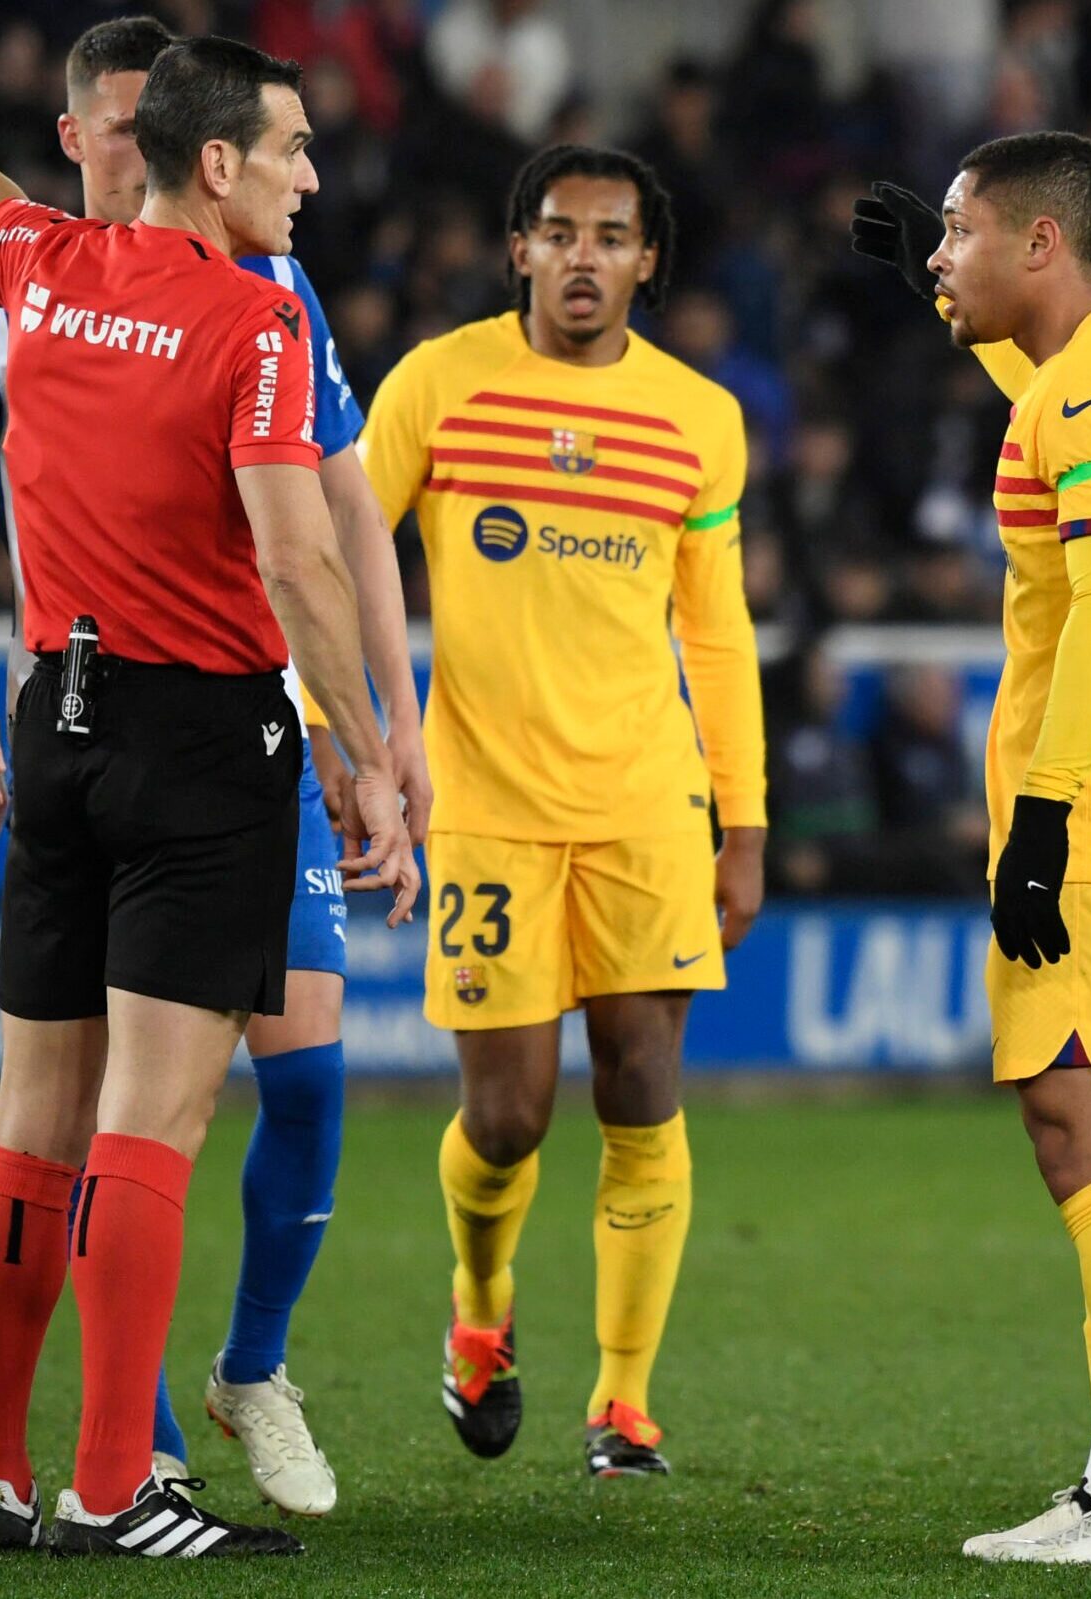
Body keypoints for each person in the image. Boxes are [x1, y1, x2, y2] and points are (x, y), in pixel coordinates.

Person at [0, 3, 416, 1559]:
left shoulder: (34, 268)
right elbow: (301, 561)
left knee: (30, 1122)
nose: (309, 182)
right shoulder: (256, 324)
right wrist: (367, 758)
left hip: (58, 729)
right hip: (199, 745)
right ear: (216, 160)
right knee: (149, 1128)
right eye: (292, 153)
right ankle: (114, 1485)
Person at [355, 143, 765, 1479]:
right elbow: (339, 560)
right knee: (514, 1115)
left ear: (649, 260)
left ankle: (625, 1401)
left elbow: (717, 632)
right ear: (519, 247)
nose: (583, 256)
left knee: (644, 1088)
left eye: (611, 236)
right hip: (484, 807)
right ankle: (481, 1315)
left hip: (649, 804)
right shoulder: (437, 384)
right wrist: (341, 737)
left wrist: (745, 823)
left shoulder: (698, 415)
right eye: (559, 233)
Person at [852, 131, 1091, 1566]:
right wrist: (940, 311)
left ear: (1040, 247)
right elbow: (1066, 409)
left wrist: (1049, 815)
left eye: (954, 231)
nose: (937, 251)